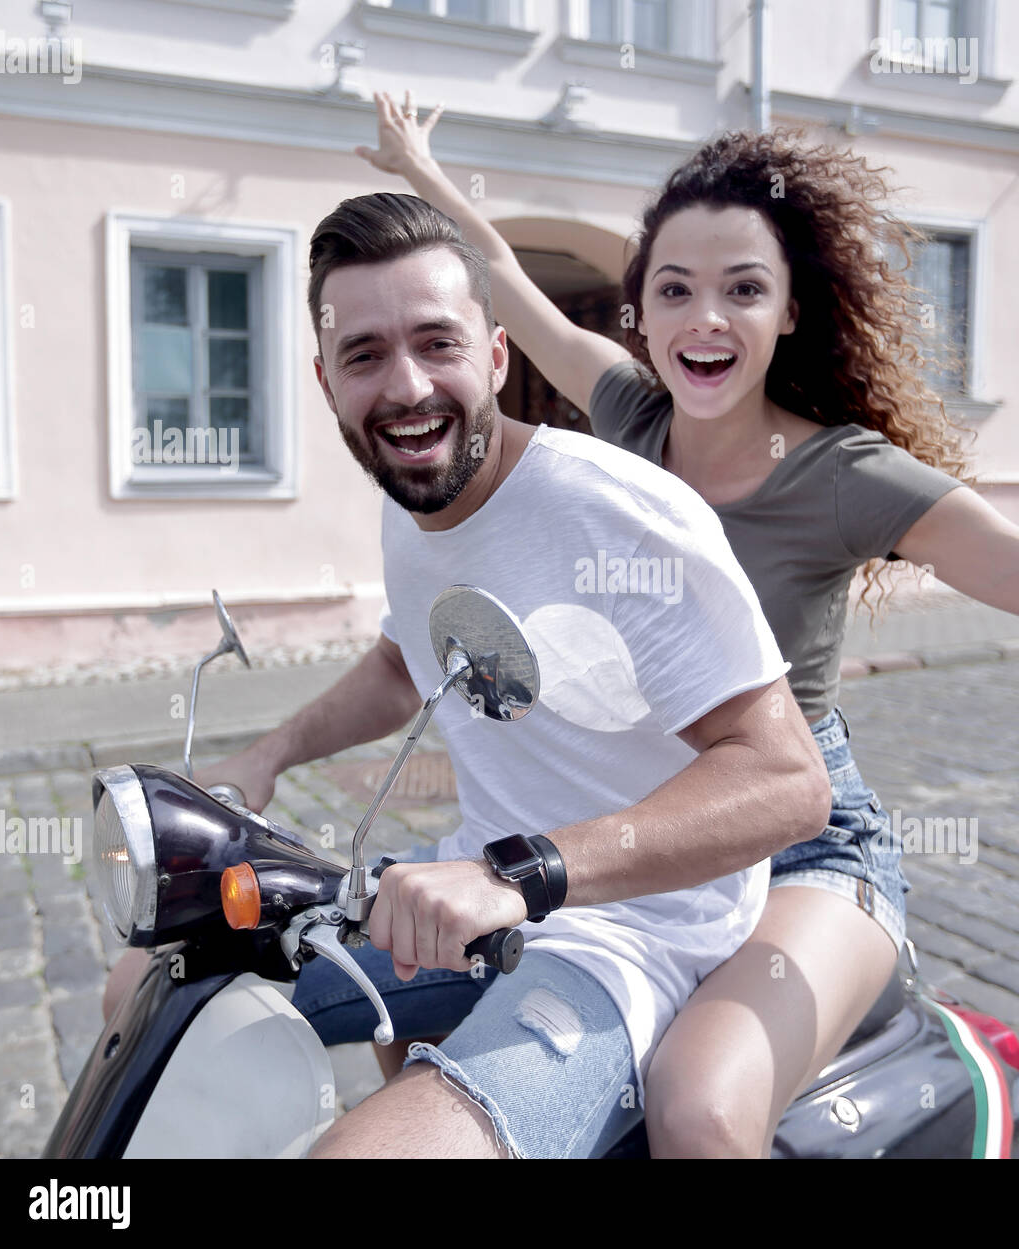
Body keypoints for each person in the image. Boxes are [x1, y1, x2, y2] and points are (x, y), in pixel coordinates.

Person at [359, 89, 1019, 1157]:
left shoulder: (844, 478)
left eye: (743, 289)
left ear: (788, 310)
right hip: (637, 818)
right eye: (676, 290)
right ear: (640, 317)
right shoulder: (629, 415)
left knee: (698, 1103)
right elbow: (501, 279)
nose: (707, 318)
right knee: (409, 995)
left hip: (803, 842)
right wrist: (420, 170)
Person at [103, 188, 833, 1159]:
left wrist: (518, 873)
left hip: (630, 931)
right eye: (366, 355)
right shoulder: (414, 498)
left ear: (494, 355)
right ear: (327, 384)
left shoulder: (615, 516)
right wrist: (267, 754)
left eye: (436, 343)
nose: (405, 388)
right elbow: (404, 663)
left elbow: (787, 781)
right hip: (462, 907)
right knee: (154, 994)